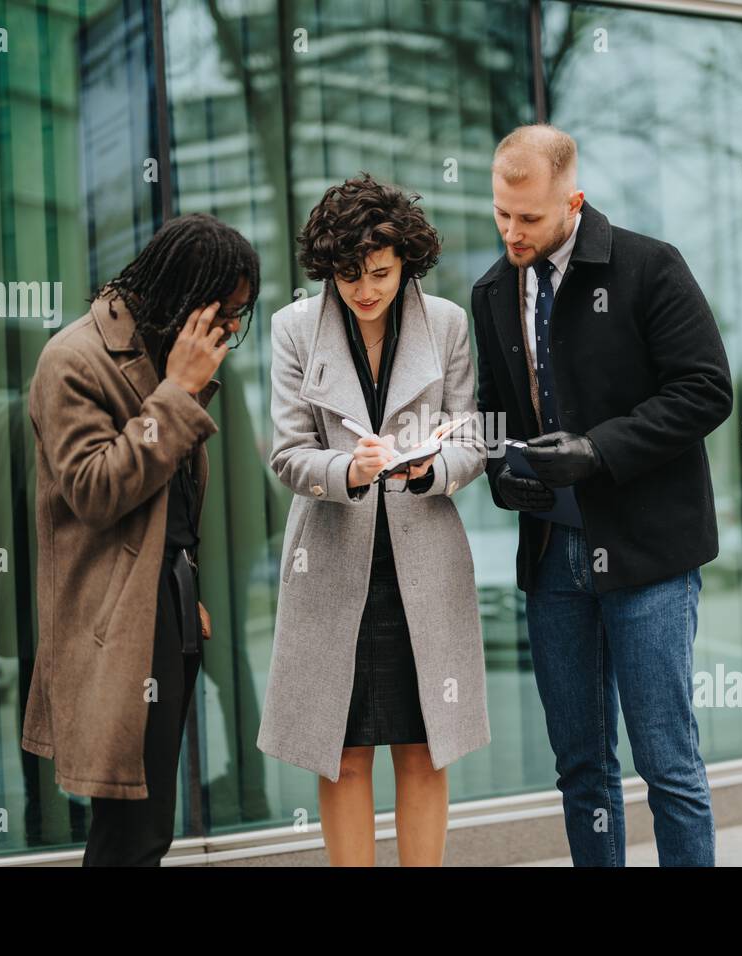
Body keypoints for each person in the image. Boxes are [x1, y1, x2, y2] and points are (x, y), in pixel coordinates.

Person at [471, 125, 733, 866]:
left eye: (529, 217)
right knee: (580, 768)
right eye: (501, 213)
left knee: (668, 765)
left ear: (573, 201)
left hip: (648, 553)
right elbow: (494, 415)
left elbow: (706, 390)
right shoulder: (491, 292)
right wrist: (503, 475)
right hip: (552, 558)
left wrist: (596, 451)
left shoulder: (649, 266)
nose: (512, 232)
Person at [257, 173, 489, 866]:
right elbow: (288, 453)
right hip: (331, 561)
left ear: (406, 261)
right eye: (349, 274)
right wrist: (347, 470)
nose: (365, 289)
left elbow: (473, 438)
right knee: (343, 753)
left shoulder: (446, 323)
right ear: (327, 269)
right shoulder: (294, 328)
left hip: (424, 560)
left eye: (380, 273)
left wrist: (431, 468)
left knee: (424, 748)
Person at [22, 212, 260, 866]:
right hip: (112, 619)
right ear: (183, 300)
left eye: (239, 315)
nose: (230, 328)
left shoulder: (158, 351)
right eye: (223, 312)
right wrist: (179, 390)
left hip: (165, 607)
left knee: (148, 828)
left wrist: (183, 589)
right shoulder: (73, 359)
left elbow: (169, 500)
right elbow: (95, 490)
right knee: (129, 831)